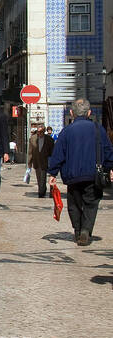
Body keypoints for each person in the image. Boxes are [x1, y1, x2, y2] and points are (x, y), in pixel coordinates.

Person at [47, 99, 113, 245]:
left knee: (74, 204)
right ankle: (86, 230)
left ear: (71, 113)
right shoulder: (98, 129)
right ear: (89, 113)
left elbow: (58, 154)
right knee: (91, 203)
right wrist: (110, 168)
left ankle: (77, 230)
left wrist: (52, 174)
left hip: (72, 176)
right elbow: (108, 150)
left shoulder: (66, 131)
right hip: (93, 175)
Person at [28, 124, 54, 199]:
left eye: (41, 132)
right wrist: (29, 163)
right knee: (39, 177)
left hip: (46, 161)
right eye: (38, 132)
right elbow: (30, 151)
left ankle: (41, 191)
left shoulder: (49, 140)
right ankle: (42, 188)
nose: (40, 134)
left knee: (43, 176)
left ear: (44, 131)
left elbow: (52, 151)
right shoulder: (33, 139)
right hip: (36, 161)